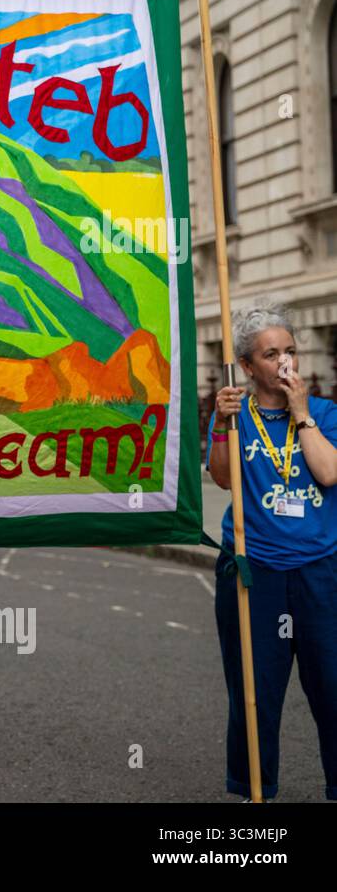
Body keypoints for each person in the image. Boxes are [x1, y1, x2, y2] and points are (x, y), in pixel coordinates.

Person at [207, 300, 337, 801]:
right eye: (270, 354)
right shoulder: (235, 417)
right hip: (252, 570)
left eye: (290, 351)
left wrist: (302, 414)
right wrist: (221, 424)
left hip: (319, 571)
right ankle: (254, 790)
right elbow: (222, 477)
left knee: (331, 687)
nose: (284, 363)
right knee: (254, 693)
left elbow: (328, 473)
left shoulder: (324, 412)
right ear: (246, 366)